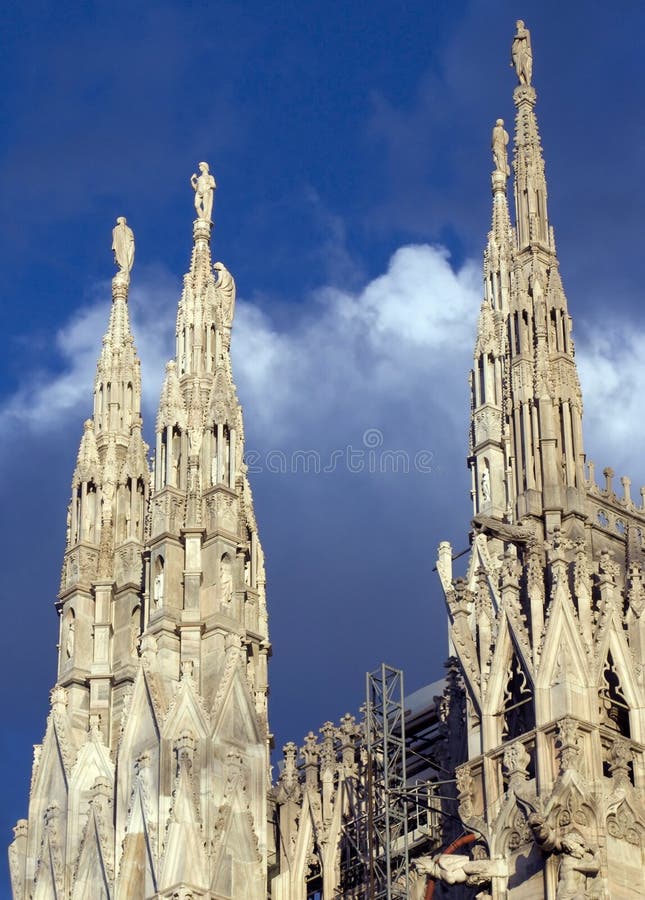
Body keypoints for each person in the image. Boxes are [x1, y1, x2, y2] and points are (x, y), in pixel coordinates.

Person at [511, 20, 533, 86]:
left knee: (524, 66)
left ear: (521, 24)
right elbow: (512, 46)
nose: (516, 25)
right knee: (518, 71)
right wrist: (511, 60)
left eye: (517, 24)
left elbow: (526, 39)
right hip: (516, 53)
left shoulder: (526, 31)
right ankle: (522, 83)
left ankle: (528, 82)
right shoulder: (516, 36)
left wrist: (516, 36)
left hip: (524, 51)